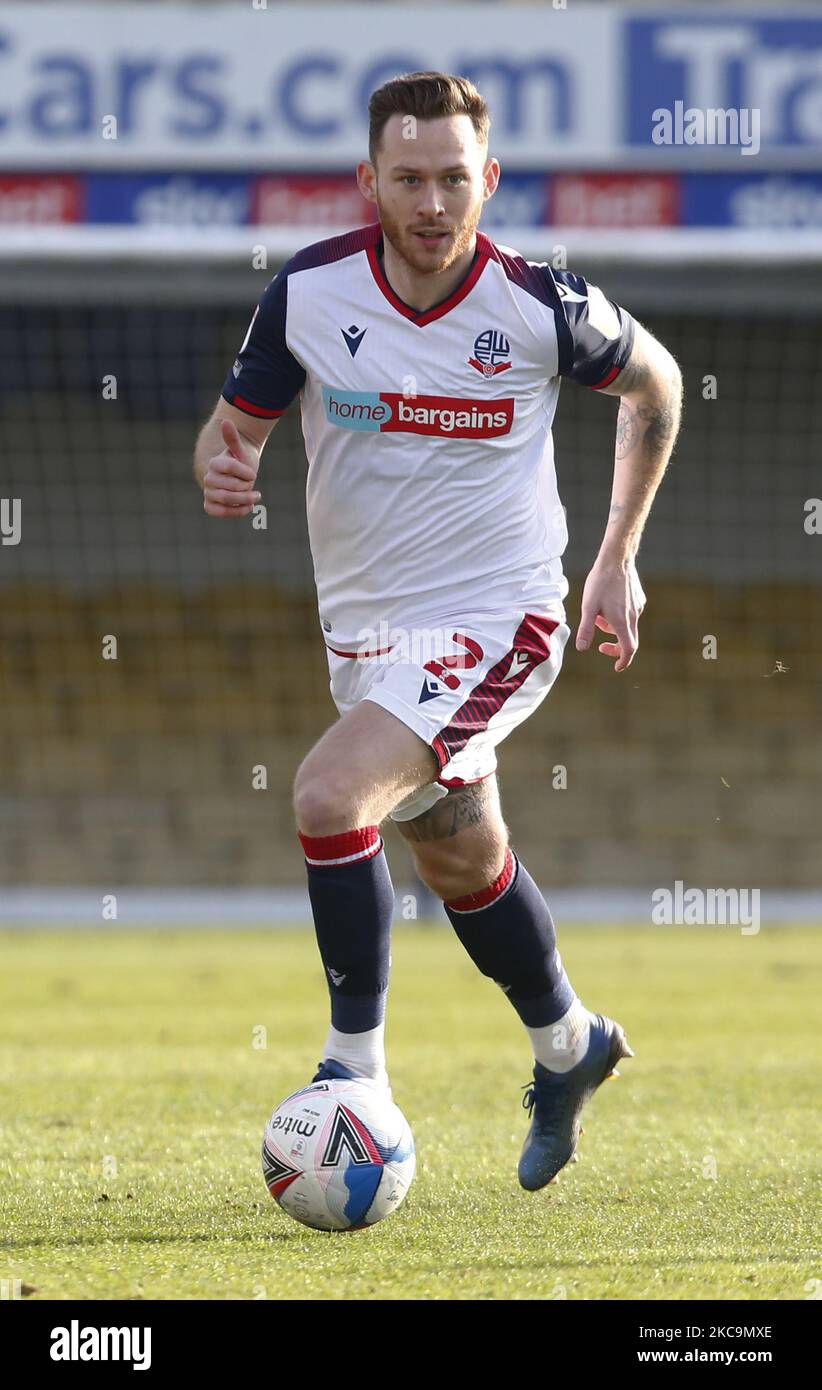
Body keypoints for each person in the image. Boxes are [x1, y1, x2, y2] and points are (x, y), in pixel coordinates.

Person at [193, 72, 682, 1191]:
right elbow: (235, 424)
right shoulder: (309, 294)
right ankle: (571, 1046)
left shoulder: (540, 304)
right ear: (369, 182)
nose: (430, 200)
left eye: (453, 178)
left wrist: (615, 557)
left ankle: (351, 1079)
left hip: (500, 616)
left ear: (488, 181)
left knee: (328, 796)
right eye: (407, 178)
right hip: (366, 635)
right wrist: (224, 460)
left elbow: (658, 385)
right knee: (462, 854)